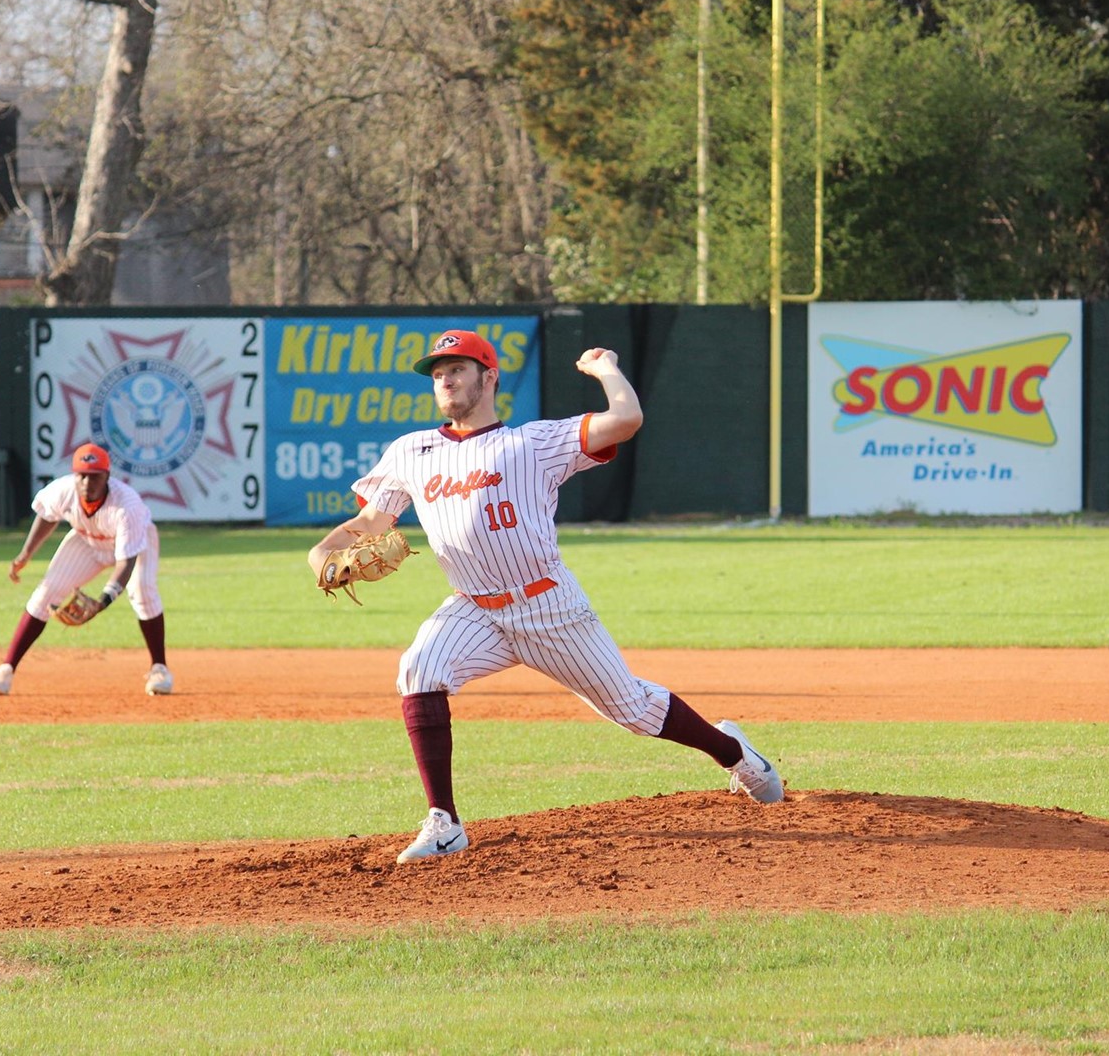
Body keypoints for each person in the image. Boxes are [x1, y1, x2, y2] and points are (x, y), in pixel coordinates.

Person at [307, 329, 782, 864]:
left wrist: (606, 370)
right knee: (419, 669)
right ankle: (445, 822)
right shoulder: (411, 450)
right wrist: (322, 552)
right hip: (473, 607)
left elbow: (625, 420)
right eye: (438, 373)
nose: (445, 380)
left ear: (489, 377)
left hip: (548, 606)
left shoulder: (533, 443)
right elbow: (371, 520)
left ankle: (737, 755)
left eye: (457, 369)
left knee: (633, 709)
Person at [0, 442, 173, 697]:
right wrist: (26, 554)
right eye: (82, 475)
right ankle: (6, 669)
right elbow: (47, 516)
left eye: (94, 476)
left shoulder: (127, 505)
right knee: (46, 595)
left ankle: (159, 668)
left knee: (142, 591)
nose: (87, 482)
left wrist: (103, 601)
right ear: (75, 475)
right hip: (88, 540)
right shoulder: (64, 490)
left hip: (136, 542)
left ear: (107, 476)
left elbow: (125, 562)